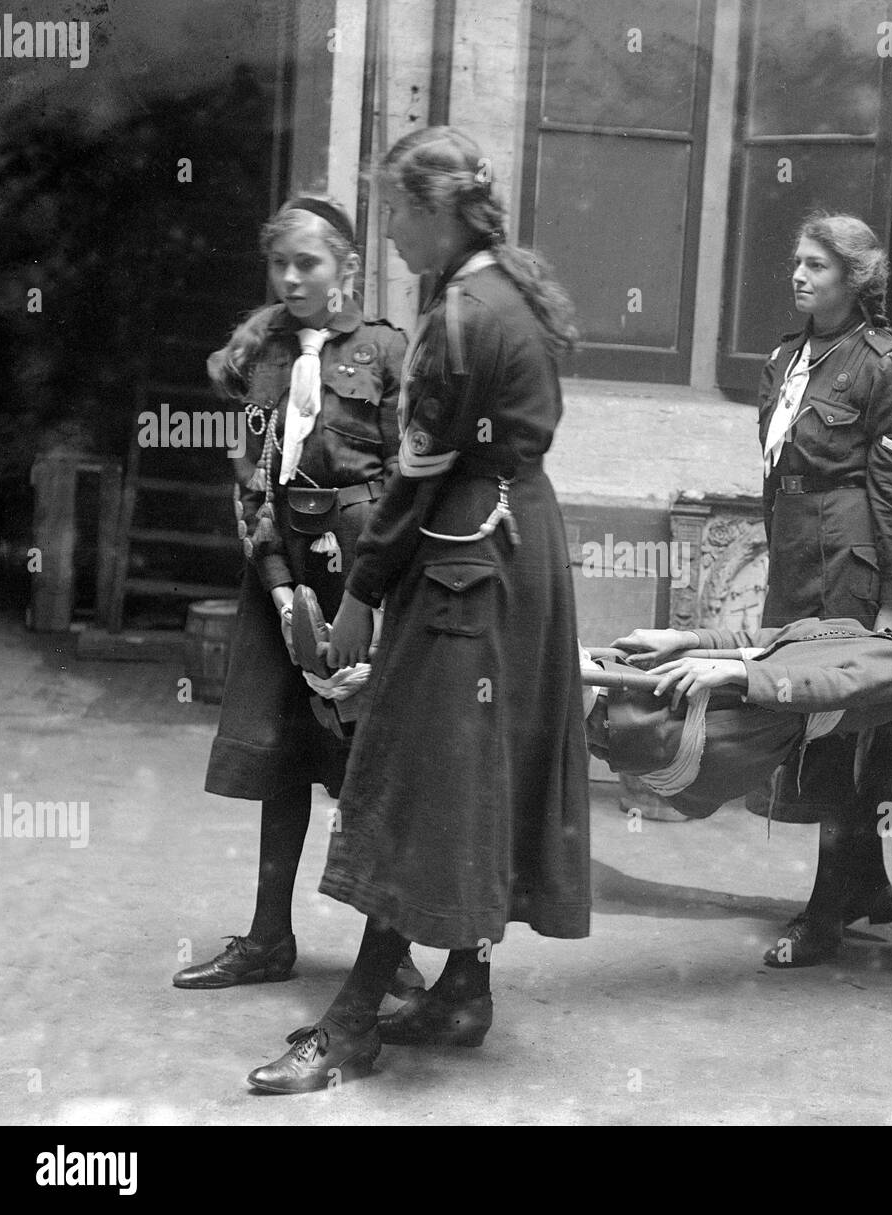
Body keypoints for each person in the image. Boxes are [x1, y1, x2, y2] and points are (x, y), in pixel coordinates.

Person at [245, 127, 590, 1093]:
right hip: (516, 546)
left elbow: (414, 478)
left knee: (410, 774)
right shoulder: (504, 292)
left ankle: (353, 1024)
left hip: (465, 562)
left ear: (435, 213)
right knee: (472, 770)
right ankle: (464, 988)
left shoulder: (461, 316)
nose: (389, 233)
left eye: (395, 212)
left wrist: (358, 597)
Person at [174, 197, 411, 992]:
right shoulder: (262, 354)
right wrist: (277, 588)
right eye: (279, 264)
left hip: (360, 578)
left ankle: (394, 953)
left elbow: (405, 480)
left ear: (346, 266)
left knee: (369, 762)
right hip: (281, 576)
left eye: (307, 262)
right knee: (282, 755)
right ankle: (269, 936)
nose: (290, 277)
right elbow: (250, 481)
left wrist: (372, 598)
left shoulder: (384, 350)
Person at [755, 213, 892, 967]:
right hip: (794, 550)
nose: (799, 275)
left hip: (845, 559)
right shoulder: (788, 356)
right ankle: (867, 885)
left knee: (839, 731)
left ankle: (826, 908)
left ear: (855, 280)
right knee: (805, 721)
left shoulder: (881, 365)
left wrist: (891, 599)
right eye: (797, 260)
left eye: (817, 265)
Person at [605, 605, 892, 823]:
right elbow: (764, 640)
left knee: (610, 710)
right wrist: (683, 637)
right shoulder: (853, 629)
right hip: (738, 702)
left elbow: (834, 686)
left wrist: (739, 672)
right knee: (606, 677)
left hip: (751, 727)